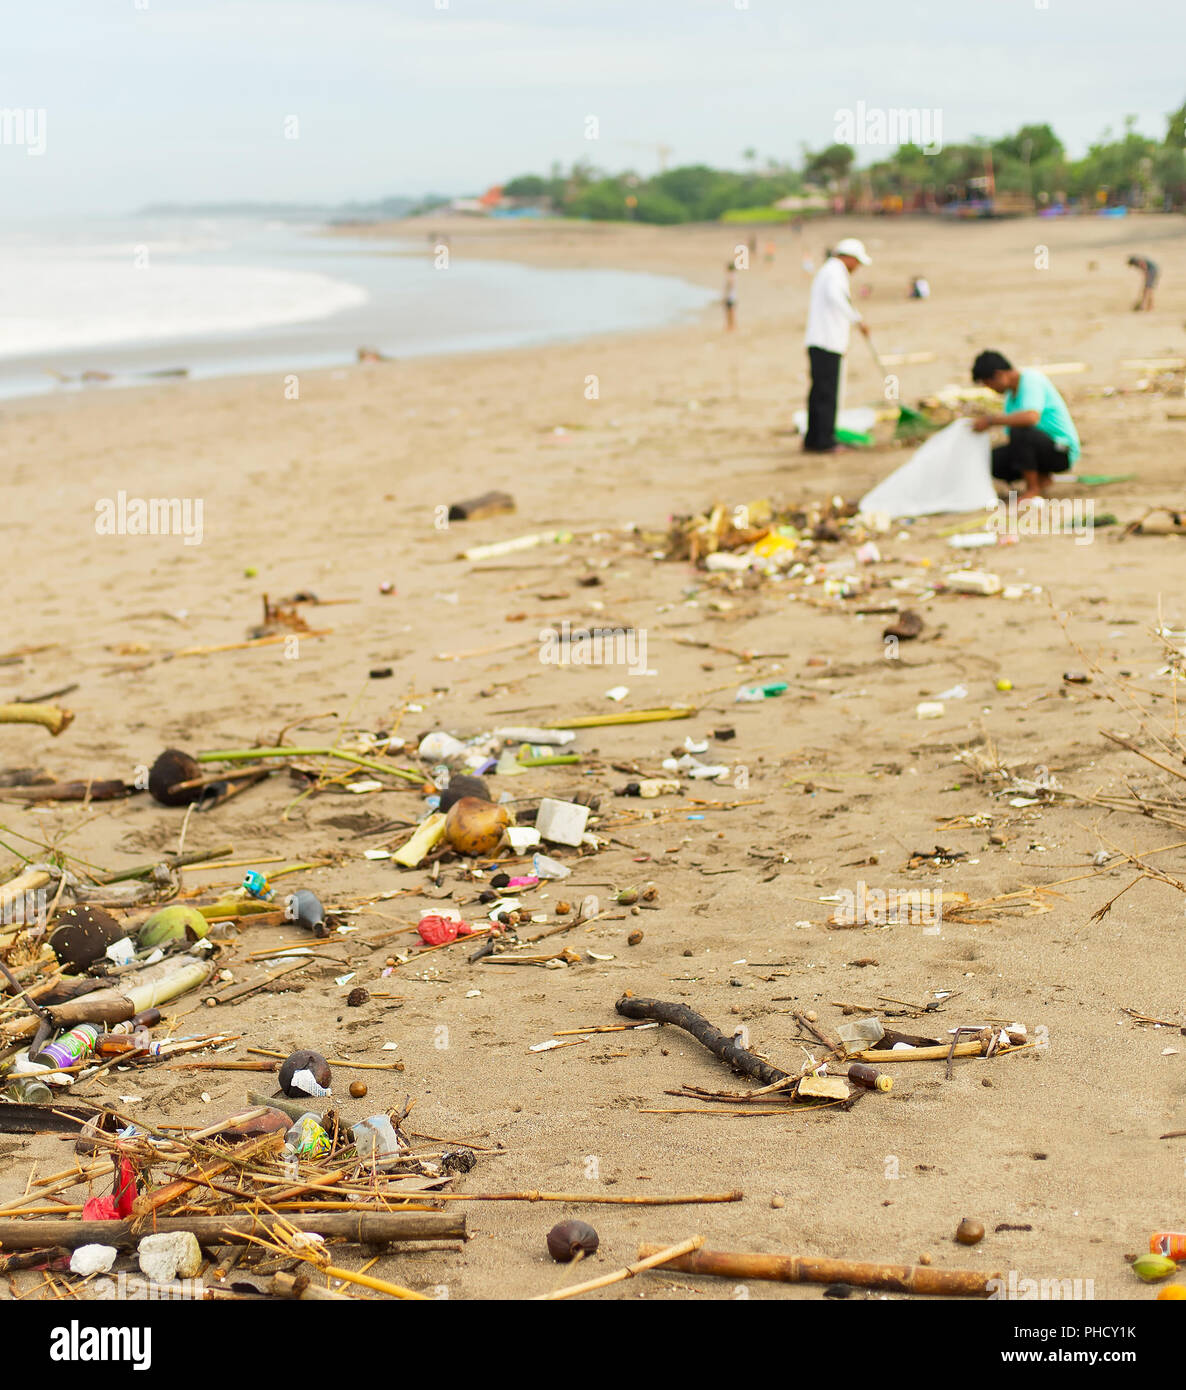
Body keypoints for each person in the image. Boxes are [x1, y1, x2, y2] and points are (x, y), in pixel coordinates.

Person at [970, 350, 1080, 500]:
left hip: (1061, 449)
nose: (991, 389)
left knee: (1020, 431)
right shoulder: (1010, 395)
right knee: (993, 459)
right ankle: (1042, 478)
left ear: (999, 375)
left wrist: (991, 420)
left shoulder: (1030, 380)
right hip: (1039, 446)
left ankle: (1033, 489)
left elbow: (1031, 418)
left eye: (989, 384)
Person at [803, 237, 871, 453]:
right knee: (826, 393)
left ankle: (813, 438)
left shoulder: (829, 270)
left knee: (819, 392)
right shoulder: (834, 271)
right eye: (857, 262)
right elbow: (837, 298)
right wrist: (857, 319)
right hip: (826, 342)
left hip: (823, 341)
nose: (858, 268)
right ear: (849, 258)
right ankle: (823, 441)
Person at [723, 261, 738, 331]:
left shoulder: (731, 276)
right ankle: (731, 326)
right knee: (730, 312)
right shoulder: (733, 276)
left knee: (730, 313)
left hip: (730, 297)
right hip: (732, 297)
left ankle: (731, 326)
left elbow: (730, 286)